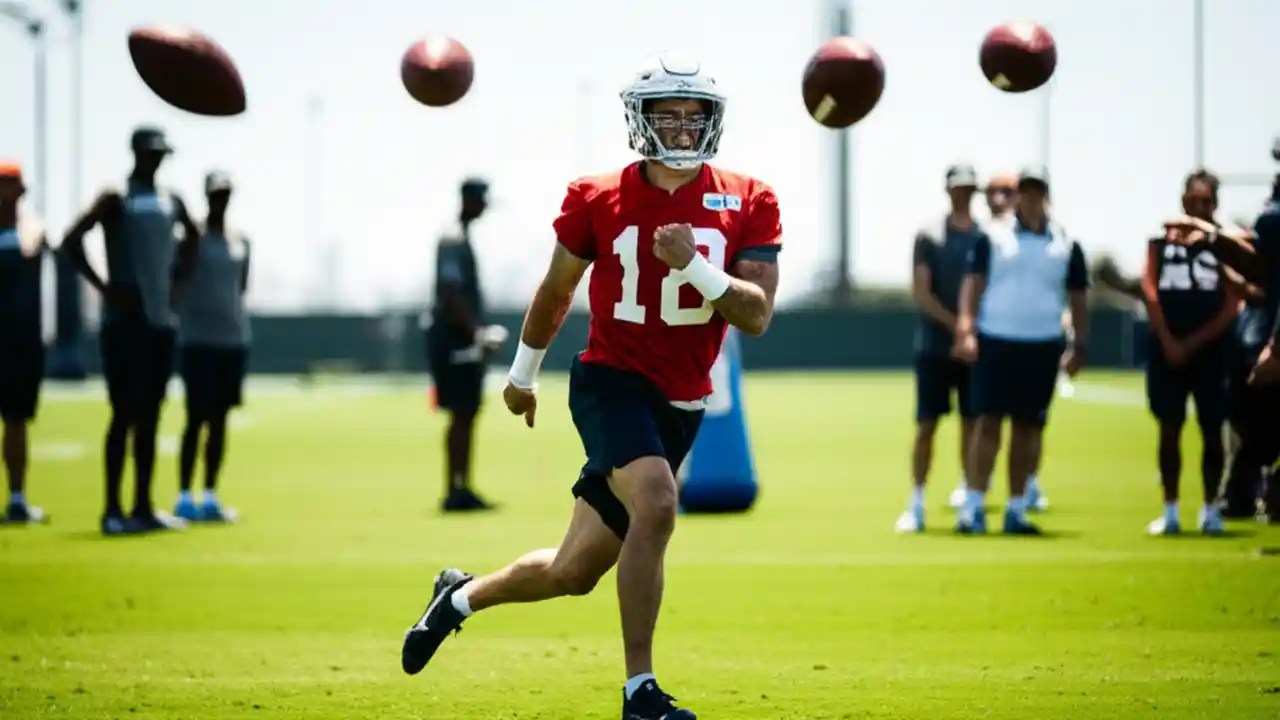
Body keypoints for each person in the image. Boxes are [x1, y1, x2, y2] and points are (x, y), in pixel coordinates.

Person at [398, 53, 782, 719]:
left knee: (572, 572)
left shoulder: (750, 196)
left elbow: (755, 314)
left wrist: (694, 265)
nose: (684, 128)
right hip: (611, 382)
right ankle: (641, 691)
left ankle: (457, 596)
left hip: (682, 402)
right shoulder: (595, 195)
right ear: (641, 120)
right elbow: (555, 291)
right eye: (669, 114)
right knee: (658, 503)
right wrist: (521, 376)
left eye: (696, 116)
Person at [60, 126, 201, 535]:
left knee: (152, 416)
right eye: (150, 153)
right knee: (123, 415)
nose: (156, 160)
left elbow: (192, 238)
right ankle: (111, 509)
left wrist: (179, 284)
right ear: (136, 154)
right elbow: (71, 241)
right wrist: (104, 287)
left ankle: (142, 505)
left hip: (161, 323)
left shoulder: (171, 201)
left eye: (161, 154)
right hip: (125, 325)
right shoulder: (117, 199)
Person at [954, 166, 1089, 535]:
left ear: (1045, 194)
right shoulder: (993, 237)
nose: (1028, 197)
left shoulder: (1066, 242)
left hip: (1043, 343)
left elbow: (1078, 297)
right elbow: (973, 285)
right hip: (997, 339)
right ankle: (974, 506)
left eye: (1035, 190)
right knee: (989, 423)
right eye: (1023, 190)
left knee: (1029, 426)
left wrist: (1079, 343)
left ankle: (1016, 507)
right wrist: (966, 329)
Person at [1164, 151, 1280, 523]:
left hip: (1254, 343)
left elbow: (1259, 276)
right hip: (1251, 344)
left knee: (1248, 434)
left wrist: (1277, 348)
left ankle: (1249, 490)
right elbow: (1263, 271)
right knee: (1248, 431)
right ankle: (1248, 492)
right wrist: (1216, 240)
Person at [1140, 170, 1239, 535]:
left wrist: (1194, 342)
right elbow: (1148, 285)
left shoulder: (1226, 243)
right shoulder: (1160, 240)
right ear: (1182, 200)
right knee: (1169, 428)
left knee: (1213, 429)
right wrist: (1168, 339)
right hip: (1167, 348)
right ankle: (1170, 510)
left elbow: (1233, 302)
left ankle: (1211, 508)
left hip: (1212, 351)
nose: (1199, 207)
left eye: (1207, 201)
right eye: (1194, 200)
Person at [896, 164, 985, 533]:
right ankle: (916, 503)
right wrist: (958, 328)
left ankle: (968, 498)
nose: (963, 193)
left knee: (973, 425)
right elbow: (922, 292)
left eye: (968, 188)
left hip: (974, 350)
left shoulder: (985, 237)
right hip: (935, 348)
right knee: (927, 425)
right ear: (948, 191)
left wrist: (970, 334)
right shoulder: (929, 236)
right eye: (958, 188)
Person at [425, 177, 507, 512]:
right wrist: (476, 333)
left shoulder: (460, 235)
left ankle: (462, 487)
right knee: (460, 414)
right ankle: (453, 490)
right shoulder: (452, 238)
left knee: (467, 413)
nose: (486, 207)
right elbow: (450, 292)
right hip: (453, 340)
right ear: (470, 200)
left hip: (460, 339)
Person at [173, 171, 250, 524]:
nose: (221, 199)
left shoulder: (240, 240)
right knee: (195, 419)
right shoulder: (192, 238)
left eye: (226, 194)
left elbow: (242, 286)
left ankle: (210, 494)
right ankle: (184, 495)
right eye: (216, 194)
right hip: (198, 340)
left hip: (231, 340)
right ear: (206, 195)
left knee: (219, 421)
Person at [0, 162, 48, 524]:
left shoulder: (29, 228)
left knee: (16, 420)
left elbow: (32, 244)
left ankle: (17, 498)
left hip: (19, 343)